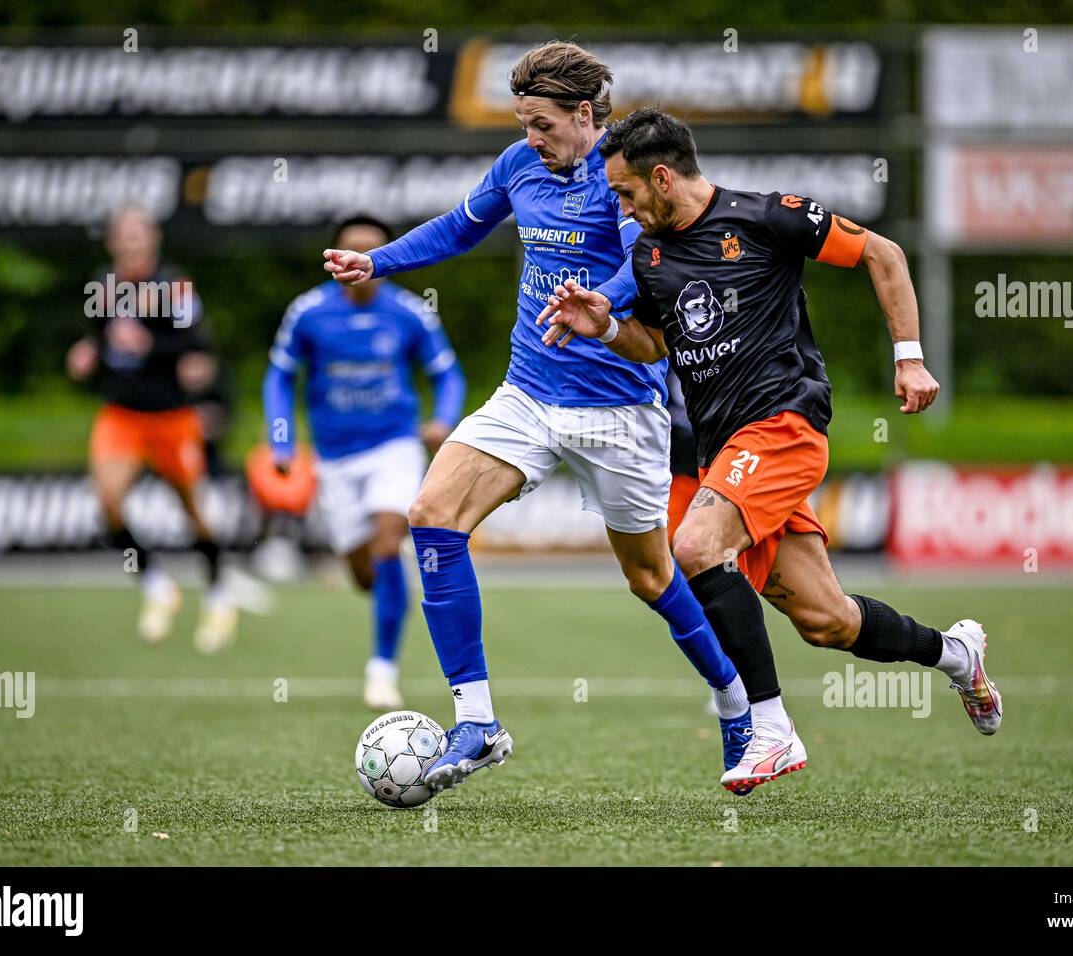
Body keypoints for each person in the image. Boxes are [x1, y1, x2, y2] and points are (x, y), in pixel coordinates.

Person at [323, 42, 749, 793]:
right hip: (527, 391)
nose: (530, 138)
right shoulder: (519, 165)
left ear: (584, 115)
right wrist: (378, 261)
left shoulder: (623, 180)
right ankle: (479, 722)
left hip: (620, 409)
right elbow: (460, 227)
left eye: (542, 124)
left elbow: (637, 268)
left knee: (652, 577)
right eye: (523, 122)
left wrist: (600, 305)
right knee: (432, 514)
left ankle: (734, 699)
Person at [538, 108, 1004, 794]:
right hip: (724, 453)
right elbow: (660, 343)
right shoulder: (650, 256)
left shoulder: (767, 217)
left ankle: (771, 728)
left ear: (662, 178)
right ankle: (956, 653)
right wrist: (607, 328)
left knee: (694, 546)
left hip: (784, 426)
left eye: (628, 194)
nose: (623, 209)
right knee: (828, 621)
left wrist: (909, 359)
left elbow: (884, 254)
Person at [264, 214, 466, 709]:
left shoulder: (411, 313)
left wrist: (441, 420)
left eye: (371, 252)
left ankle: (382, 668)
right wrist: (281, 440)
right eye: (349, 250)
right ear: (334, 258)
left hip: (394, 445)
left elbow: (448, 375)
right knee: (363, 573)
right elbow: (278, 378)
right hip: (334, 457)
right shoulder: (308, 313)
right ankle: (390, 588)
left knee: (386, 540)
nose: (359, 261)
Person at [66, 205, 236, 652]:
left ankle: (219, 593)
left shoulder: (174, 286)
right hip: (121, 415)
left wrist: (162, 351)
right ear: (112, 241)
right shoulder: (102, 287)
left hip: (171, 416)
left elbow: (197, 346)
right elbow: (100, 338)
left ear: (153, 239)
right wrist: (87, 354)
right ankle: (158, 586)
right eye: (124, 234)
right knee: (108, 503)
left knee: (192, 512)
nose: (132, 242)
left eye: (139, 234)